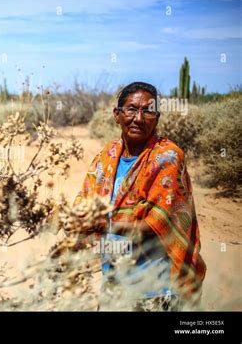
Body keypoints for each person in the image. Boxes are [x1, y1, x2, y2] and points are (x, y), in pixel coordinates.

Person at [73, 82, 206, 311]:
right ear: (117, 115)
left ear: (157, 117)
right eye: (132, 109)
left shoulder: (167, 158)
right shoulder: (107, 155)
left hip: (156, 290)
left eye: (148, 110)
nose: (139, 118)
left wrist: (107, 223)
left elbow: (157, 224)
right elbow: (85, 203)